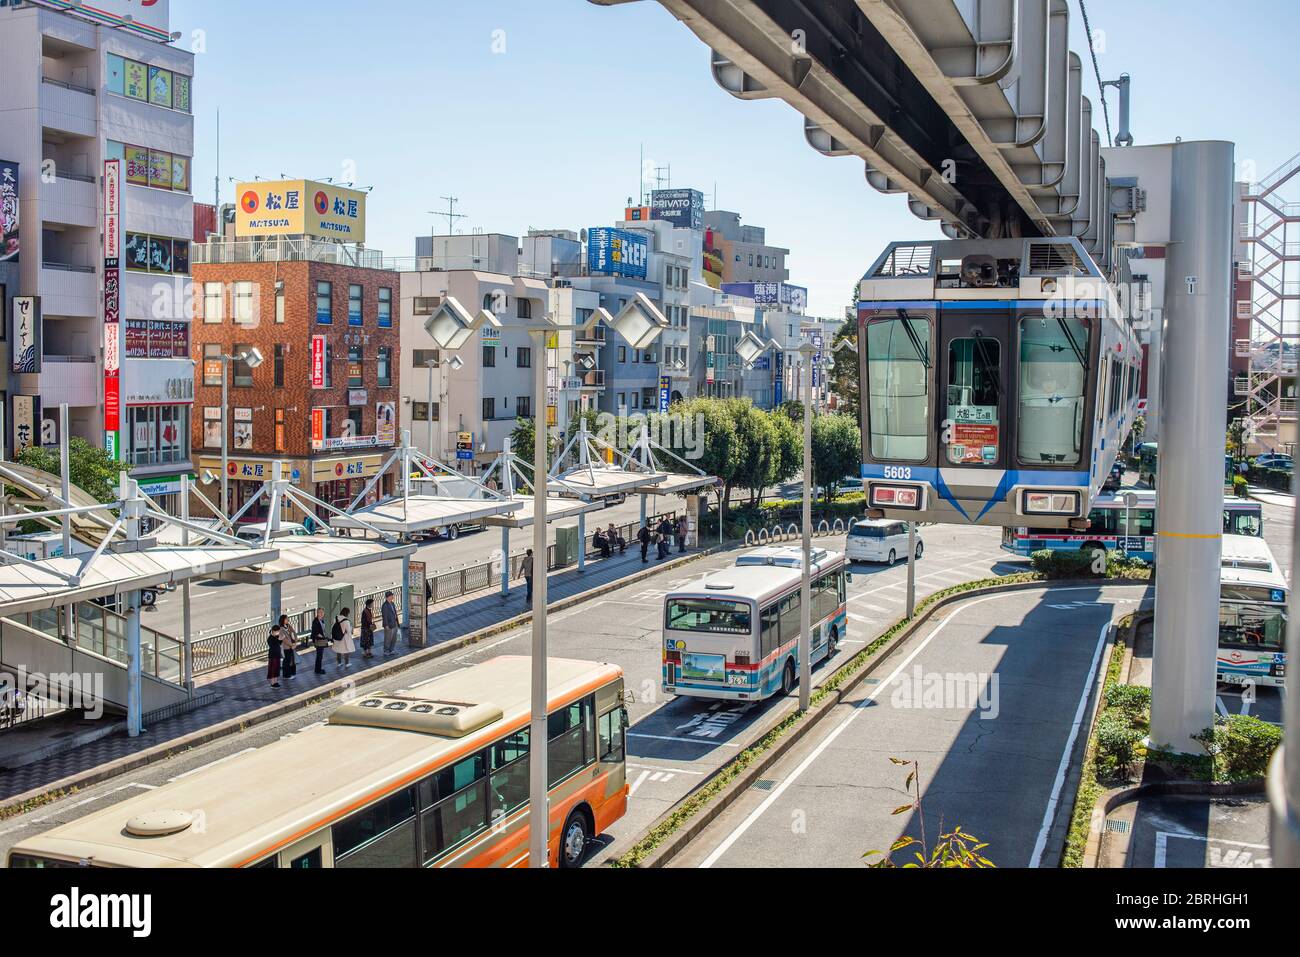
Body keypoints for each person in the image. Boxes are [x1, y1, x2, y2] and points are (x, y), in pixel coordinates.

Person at [381, 590, 400, 656]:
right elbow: (384, 616)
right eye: (391, 595)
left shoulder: (392, 603)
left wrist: (397, 622)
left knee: (394, 638)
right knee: (387, 638)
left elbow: (395, 613)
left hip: (394, 623)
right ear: (388, 597)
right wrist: (386, 625)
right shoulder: (385, 605)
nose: (393, 597)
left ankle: (392, 649)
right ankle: (386, 651)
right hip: (389, 625)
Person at [310, 608, 329, 674]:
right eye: (320, 612)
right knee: (319, 655)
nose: (321, 613)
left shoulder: (322, 620)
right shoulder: (315, 621)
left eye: (322, 612)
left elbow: (322, 630)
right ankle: (318, 670)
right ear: (317, 613)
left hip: (321, 640)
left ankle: (318, 669)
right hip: (318, 640)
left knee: (320, 655)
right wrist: (323, 637)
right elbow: (315, 632)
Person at [279, 614, 296, 680]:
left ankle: (291, 673)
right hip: (286, 647)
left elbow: (293, 632)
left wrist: (294, 642)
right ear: (283, 620)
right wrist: (291, 645)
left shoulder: (287, 626)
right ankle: (286, 675)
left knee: (290, 661)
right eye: (286, 619)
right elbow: (284, 639)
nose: (288, 620)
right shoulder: (281, 629)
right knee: (286, 662)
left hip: (290, 647)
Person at [266, 625, 283, 690]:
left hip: (277, 655)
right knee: (272, 669)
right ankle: (272, 683)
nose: (278, 632)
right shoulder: (270, 638)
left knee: (276, 669)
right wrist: (278, 639)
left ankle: (276, 682)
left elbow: (279, 643)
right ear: (273, 631)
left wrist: (280, 639)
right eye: (277, 631)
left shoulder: (276, 637)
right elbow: (273, 646)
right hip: (272, 656)